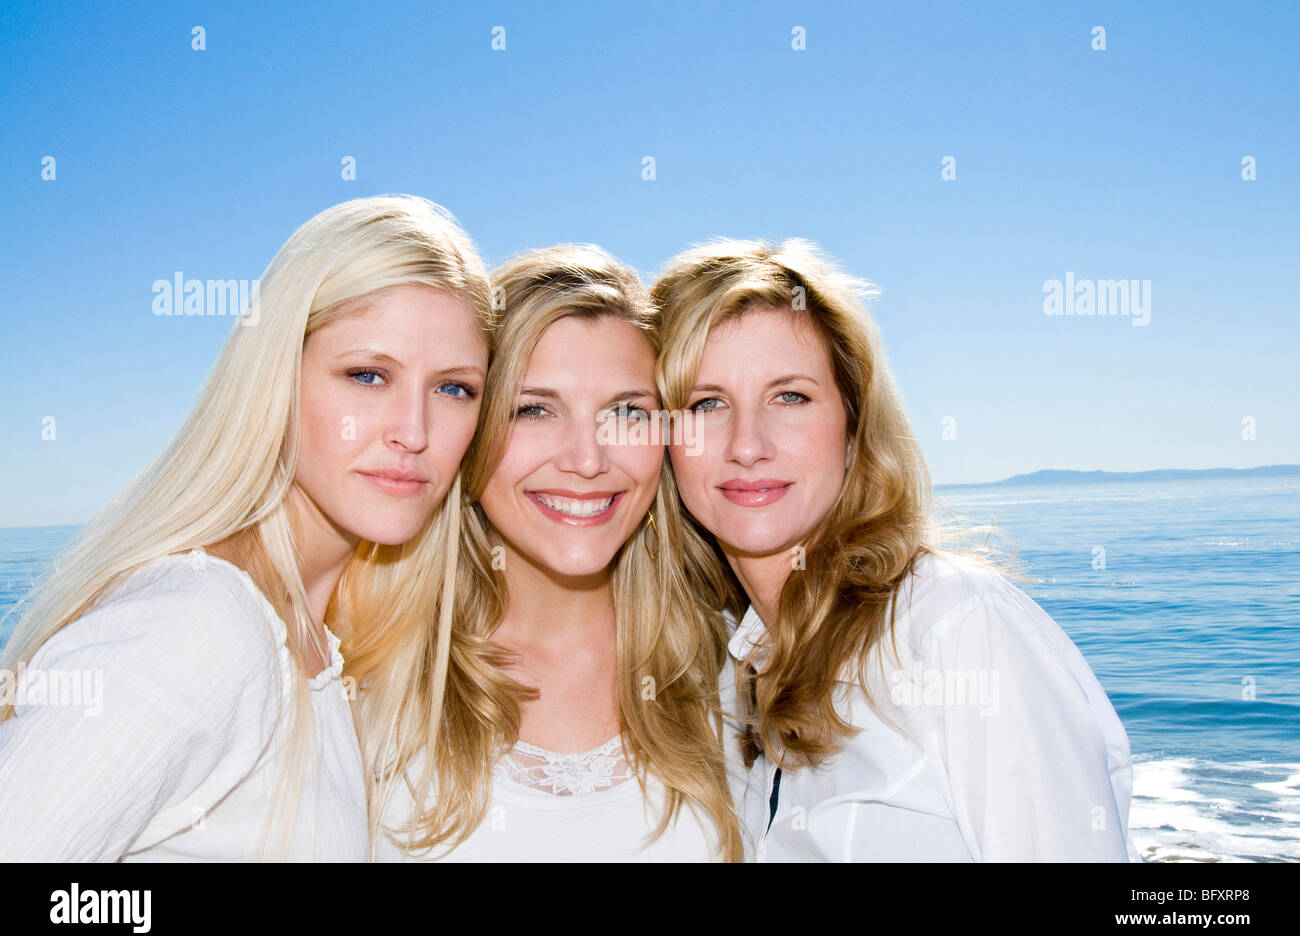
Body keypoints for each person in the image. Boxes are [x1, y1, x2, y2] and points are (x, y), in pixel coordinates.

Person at [0, 195, 493, 861]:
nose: (414, 431)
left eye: (454, 389)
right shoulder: (201, 626)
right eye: (367, 374)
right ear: (275, 377)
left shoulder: (316, 634)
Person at [652, 238, 1140, 862]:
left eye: (790, 397)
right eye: (706, 403)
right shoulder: (729, 664)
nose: (748, 443)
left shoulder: (955, 627)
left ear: (854, 428)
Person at [366, 245, 743, 861]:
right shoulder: (369, 670)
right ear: (470, 430)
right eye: (534, 409)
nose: (587, 460)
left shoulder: (731, 667)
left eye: (625, 413)